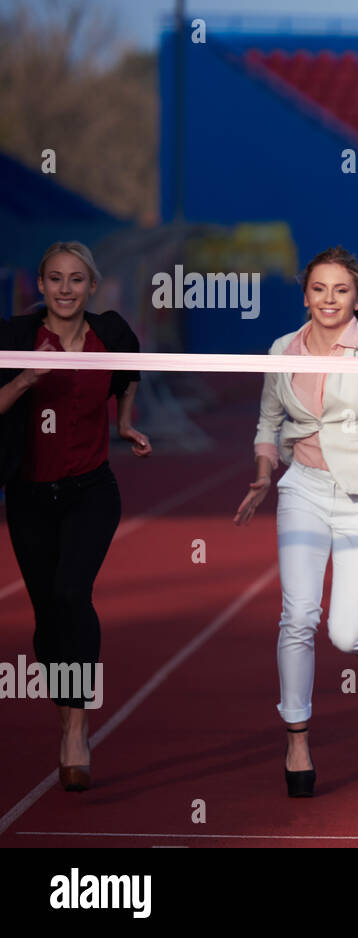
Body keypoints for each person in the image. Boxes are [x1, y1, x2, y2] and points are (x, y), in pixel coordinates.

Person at [233, 246, 358, 798]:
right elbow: (268, 421)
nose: (329, 300)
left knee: (345, 632)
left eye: (340, 290)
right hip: (304, 490)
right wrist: (266, 472)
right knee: (298, 616)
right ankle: (296, 738)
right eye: (319, 289)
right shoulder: (281, 350)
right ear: (306, 294)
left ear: (355, 297)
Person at [0, 241, 151, 792]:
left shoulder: (110, 333)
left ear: (92, 286)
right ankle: (65, 712)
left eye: (76, 280)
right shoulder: (14, 338)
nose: (66, 289)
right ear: (39, 286)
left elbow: (129, 372)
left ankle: (77, 729)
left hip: (91, 491)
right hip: (28, 497)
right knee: (47, 616)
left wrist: (125, 421)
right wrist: (21, 381)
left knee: (71, 594)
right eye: (55, 279)